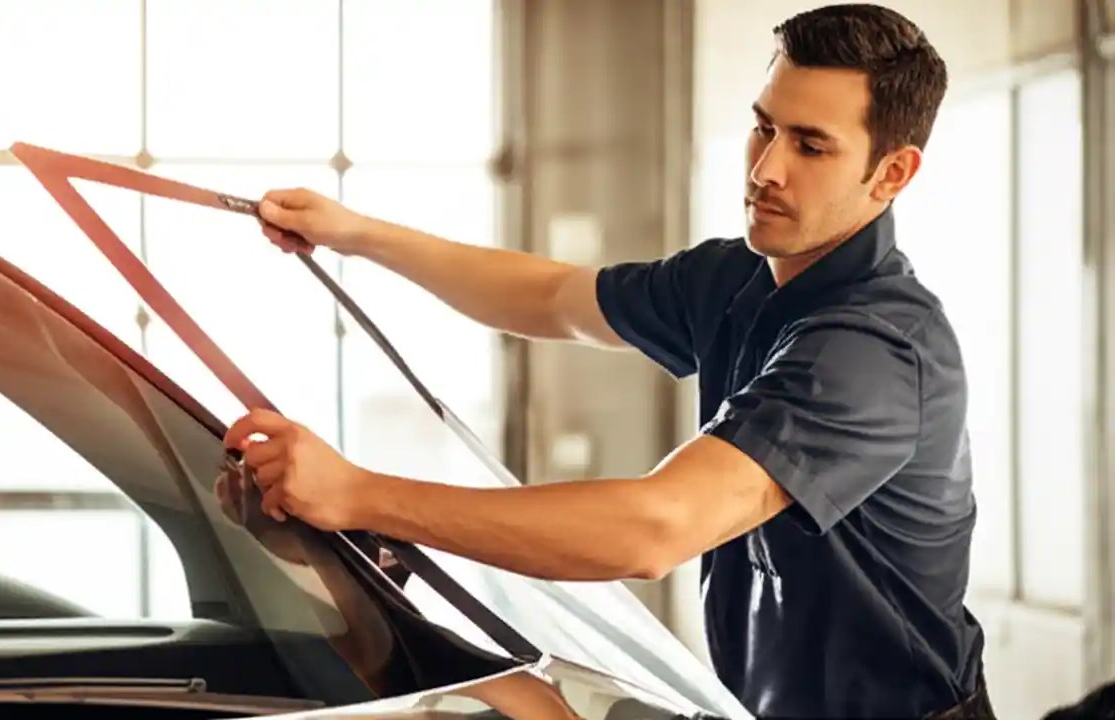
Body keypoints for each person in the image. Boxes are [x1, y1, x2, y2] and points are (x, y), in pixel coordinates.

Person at [225, 4, 992, 717]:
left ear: (891, 174)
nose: (765, 169)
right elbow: (553, 297)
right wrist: (355, 232)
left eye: (810, 146)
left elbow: (651, 529)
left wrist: (358, 494)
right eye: (764, 129)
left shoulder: (875, 350)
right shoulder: (736, 278)